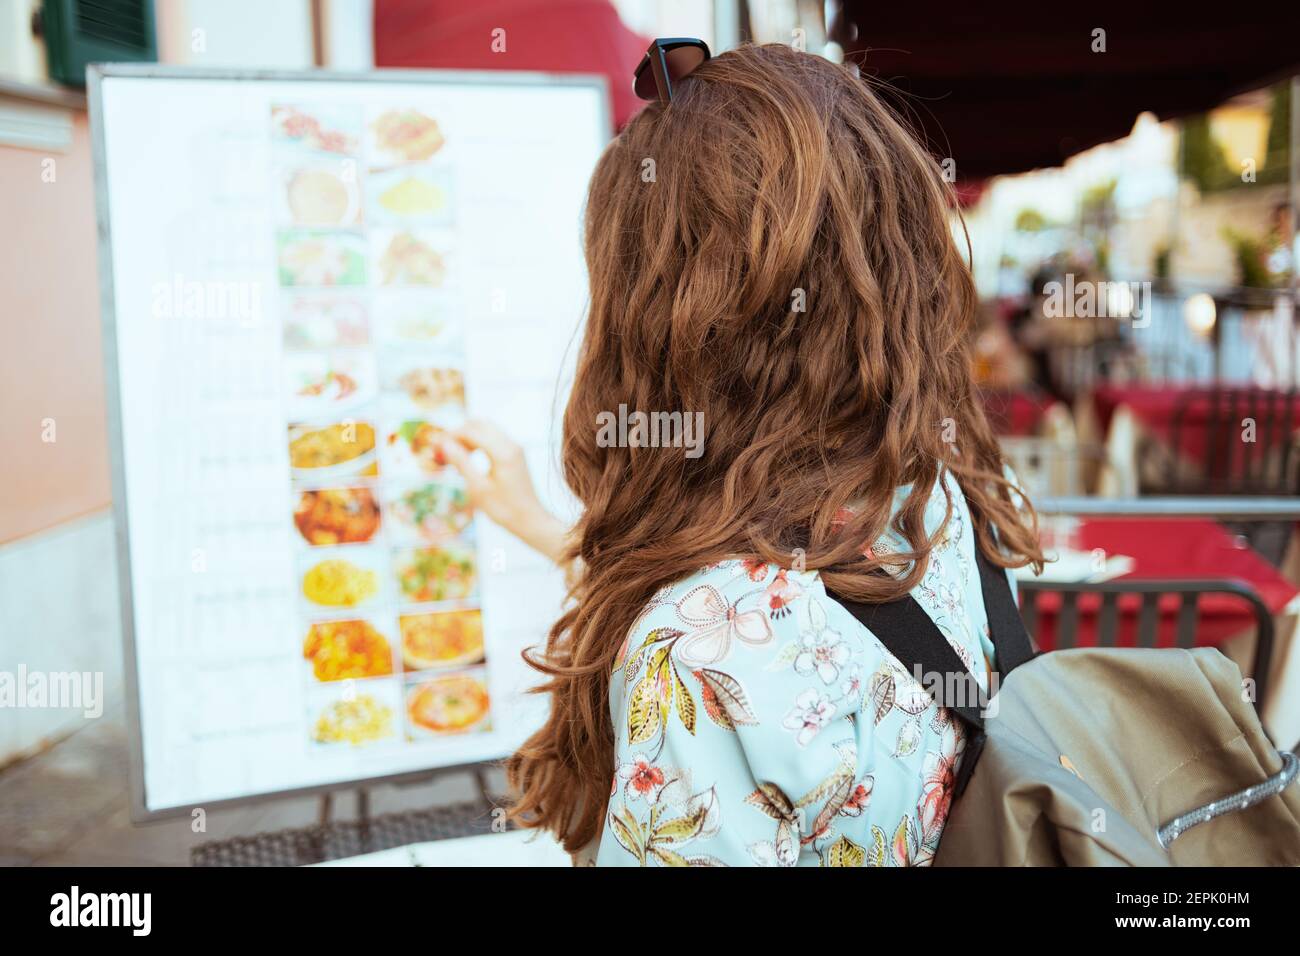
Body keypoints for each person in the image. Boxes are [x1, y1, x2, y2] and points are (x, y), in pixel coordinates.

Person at [437, 42, 1043, 867]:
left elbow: (744, 626)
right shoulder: (943, 485)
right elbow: (801, 613)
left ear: (654, 314)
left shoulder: (701, 663)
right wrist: (543, 527)